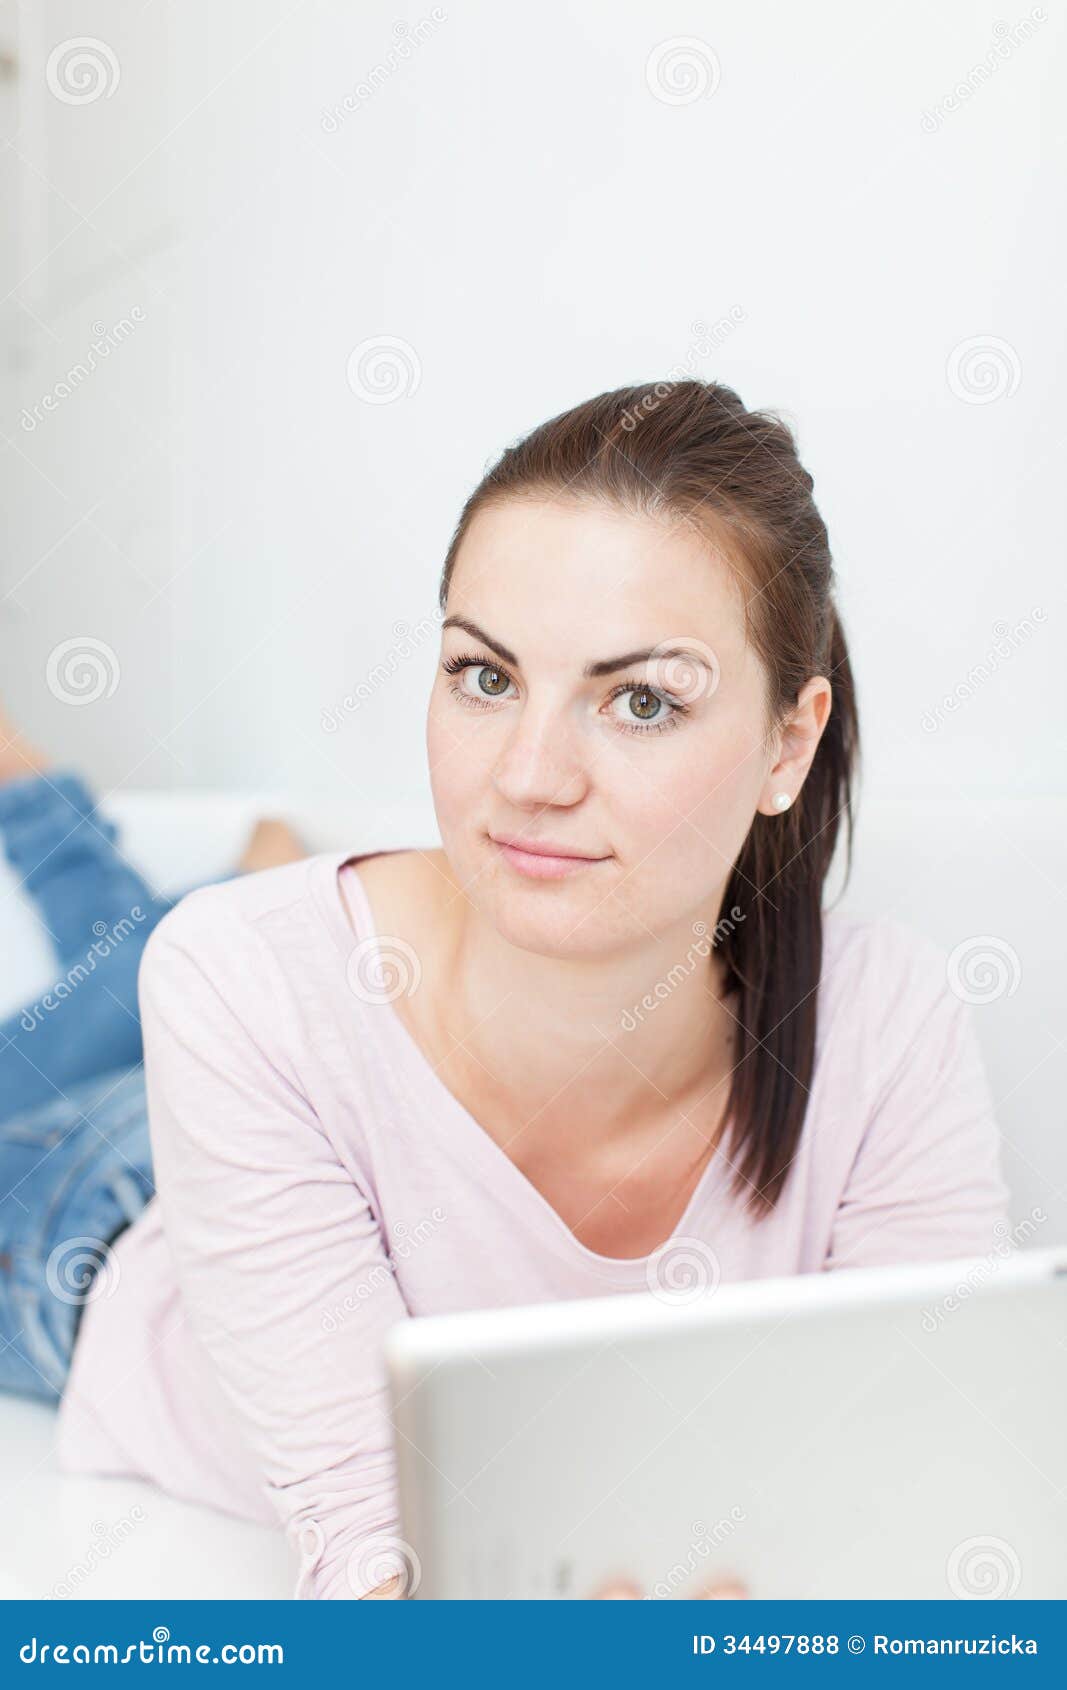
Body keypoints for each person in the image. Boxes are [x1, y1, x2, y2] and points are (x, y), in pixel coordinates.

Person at [40, 381, 1011, 1601]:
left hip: (277, 1070)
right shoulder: (233, 982)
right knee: (126, 1007)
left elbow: (920, 1500)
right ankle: (58, 824)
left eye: (641, 700)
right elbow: (382, 1566)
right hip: (97, 1211)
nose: (528, 779)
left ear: (787, 743)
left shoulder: (891, 1020)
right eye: (485, 677)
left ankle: (255, 866)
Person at [0, 717, 305, 1402]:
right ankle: (235, 903)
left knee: (167, 1014)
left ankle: (232, 906)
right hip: (121, 1229)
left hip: (125, 1206)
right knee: (176, 1009)